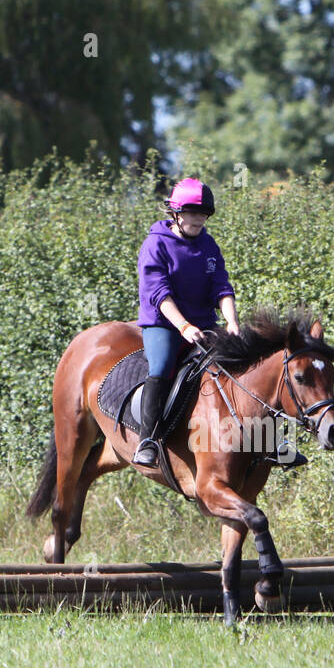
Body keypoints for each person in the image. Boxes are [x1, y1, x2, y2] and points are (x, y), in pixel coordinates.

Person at [133, 178, 240, 467]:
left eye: (203, 214)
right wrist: (183, 326)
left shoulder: (208, 245)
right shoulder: (156, 243)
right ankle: (149, 439)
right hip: (164, 324)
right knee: (162, 365)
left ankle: (265, 439)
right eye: (192, 213)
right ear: (176, 213)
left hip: (204, 323)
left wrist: (231, 322)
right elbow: (159, 293)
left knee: (244, 359)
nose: (198, 219)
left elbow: (222, 287)